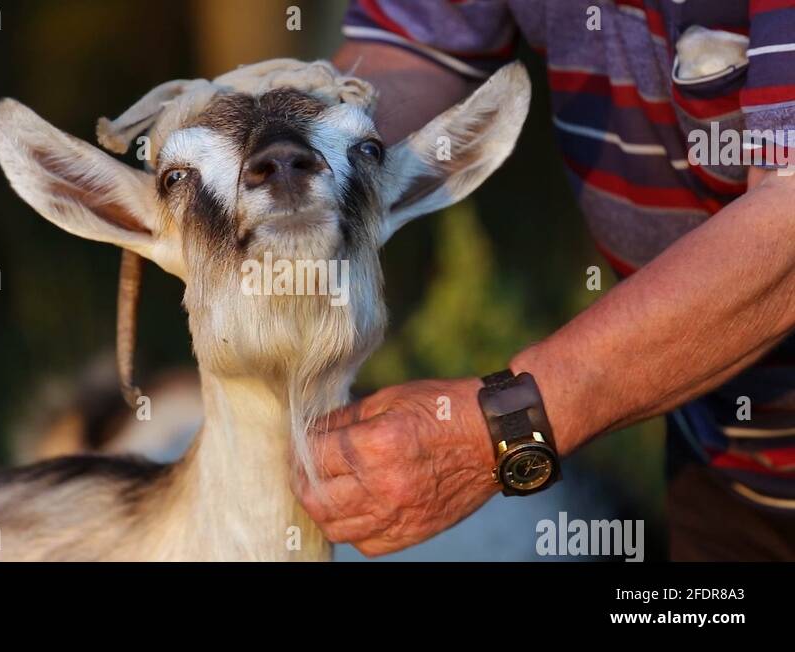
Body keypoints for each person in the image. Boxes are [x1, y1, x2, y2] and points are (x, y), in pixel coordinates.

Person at [294, 0, 795, 560]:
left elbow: (788, 230)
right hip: (723, 458)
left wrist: (503, 429)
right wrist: (296, 164)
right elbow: (413, 43)